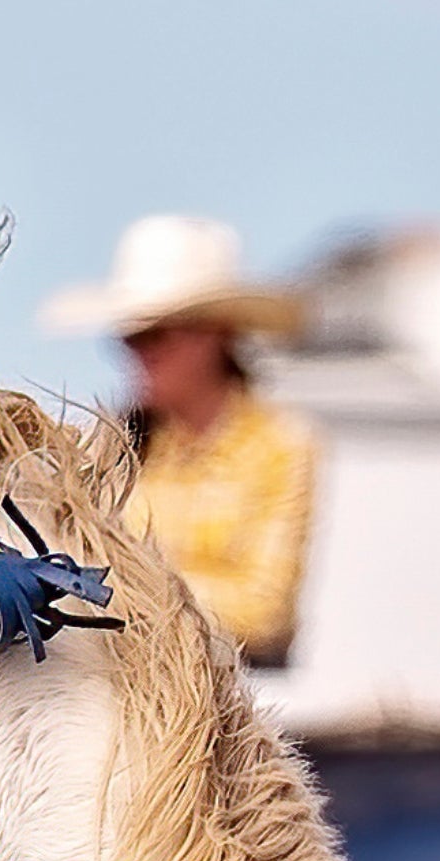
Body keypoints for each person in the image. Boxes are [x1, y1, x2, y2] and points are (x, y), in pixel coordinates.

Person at [40, 214, 322, 666]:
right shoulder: (112, 445)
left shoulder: (281, 444)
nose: (137, 353)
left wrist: (121, 585)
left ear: (216, 334)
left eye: (154, 334)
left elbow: (266, 612)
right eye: (129, 336)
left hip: (235, 692)